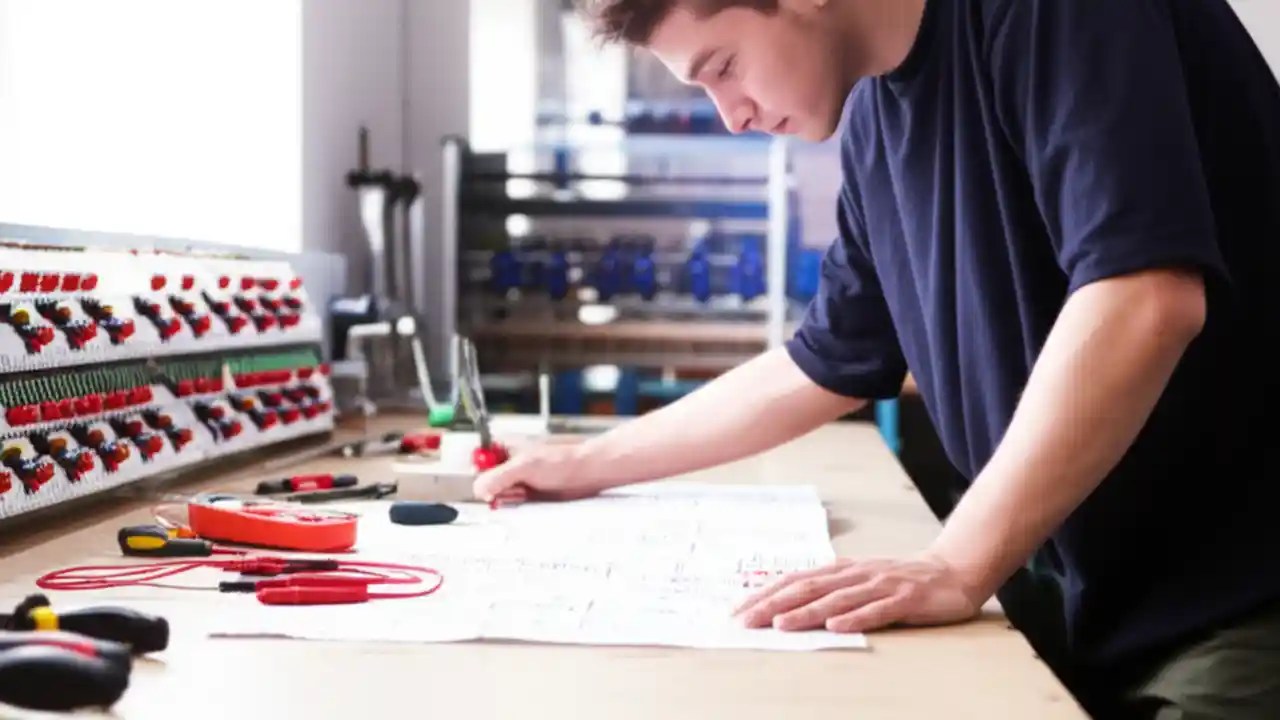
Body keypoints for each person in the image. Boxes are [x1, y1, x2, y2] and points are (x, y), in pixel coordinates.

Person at [474, 0, 1280, 716]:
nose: (732, 115)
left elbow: (1145, 300)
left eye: (723, 67)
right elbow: (825, 358)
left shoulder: (1054, 14)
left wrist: (957, 563)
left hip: (1235, 602)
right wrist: (588, 463)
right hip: (1090, 594)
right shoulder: (877, 121)